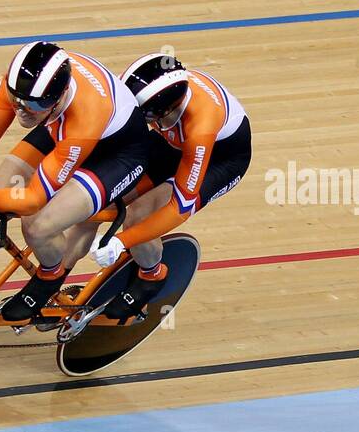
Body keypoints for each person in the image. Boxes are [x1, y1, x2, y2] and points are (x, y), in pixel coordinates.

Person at [0, 41, 150, 333]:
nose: (22, 112)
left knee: (38, 225)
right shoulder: (26, 91)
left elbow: (34, 199)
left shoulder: (84, 115)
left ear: (61, 94)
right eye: (16, 102)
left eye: (33, 104)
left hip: (117, 154)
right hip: (56, 123)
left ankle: (49, 278)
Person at [90, 52, 252, 318]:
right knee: (108, 194)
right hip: (173, 143)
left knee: (137, 217)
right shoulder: (154, 96)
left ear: (165, 110)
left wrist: (121, 241)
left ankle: (152, 275)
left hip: (219, 160)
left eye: (149, 118)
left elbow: (181, 206)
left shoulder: (201, 125)